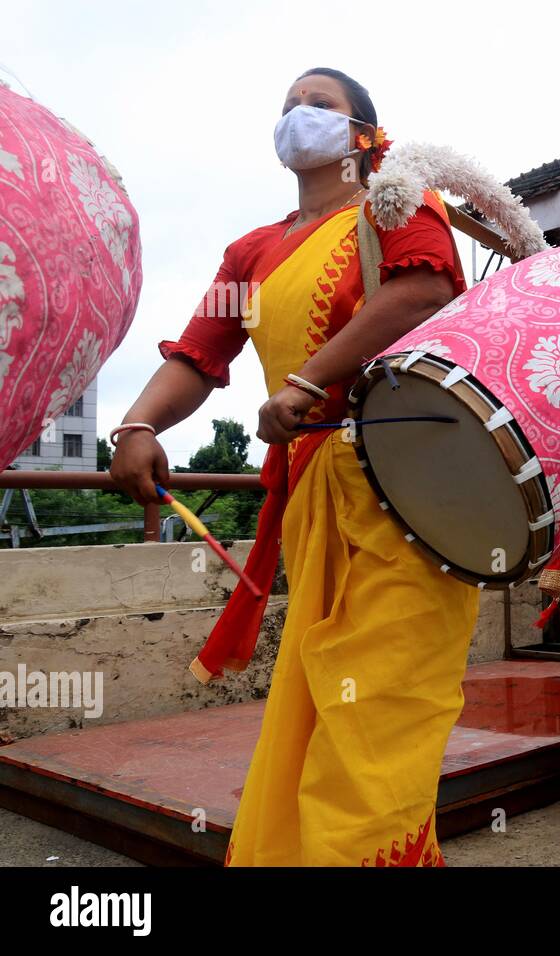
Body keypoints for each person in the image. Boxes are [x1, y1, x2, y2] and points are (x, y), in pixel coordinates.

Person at [110, 68, 479, 865]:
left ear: (363, 135)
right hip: (315, 487)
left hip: (411, 482)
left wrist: (309, 380)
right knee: (326, 696)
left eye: (320, 105)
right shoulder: (253, 250)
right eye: (288, 106)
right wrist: (138, 422)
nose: (298, 116)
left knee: (381, 696)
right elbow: (200, 356)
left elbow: (424, 292)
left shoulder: (395, 205)